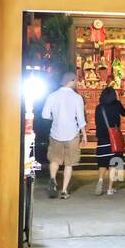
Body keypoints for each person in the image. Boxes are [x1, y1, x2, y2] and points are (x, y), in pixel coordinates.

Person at [40, 70, 86, 199]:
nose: (77, 83)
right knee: (69, 163)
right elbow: (81, 119)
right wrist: (85, 135)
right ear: (71, 81)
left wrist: (55, 118)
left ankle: (53, 179)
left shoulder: (52, 96)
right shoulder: (77, 97)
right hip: (72, 133)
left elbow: (45, 115)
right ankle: (64, 191)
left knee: (54, 160)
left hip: (56, 133)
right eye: (76, 80)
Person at [93, 86, 125, 196]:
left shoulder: (99, 107)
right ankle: (110, 188)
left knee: (102, 163)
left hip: (102, 138)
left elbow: (97, 122)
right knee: (113, 163)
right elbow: (124, 113)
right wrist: (118, 101)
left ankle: (100, 181)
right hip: (114, 138)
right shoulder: (116, 105)